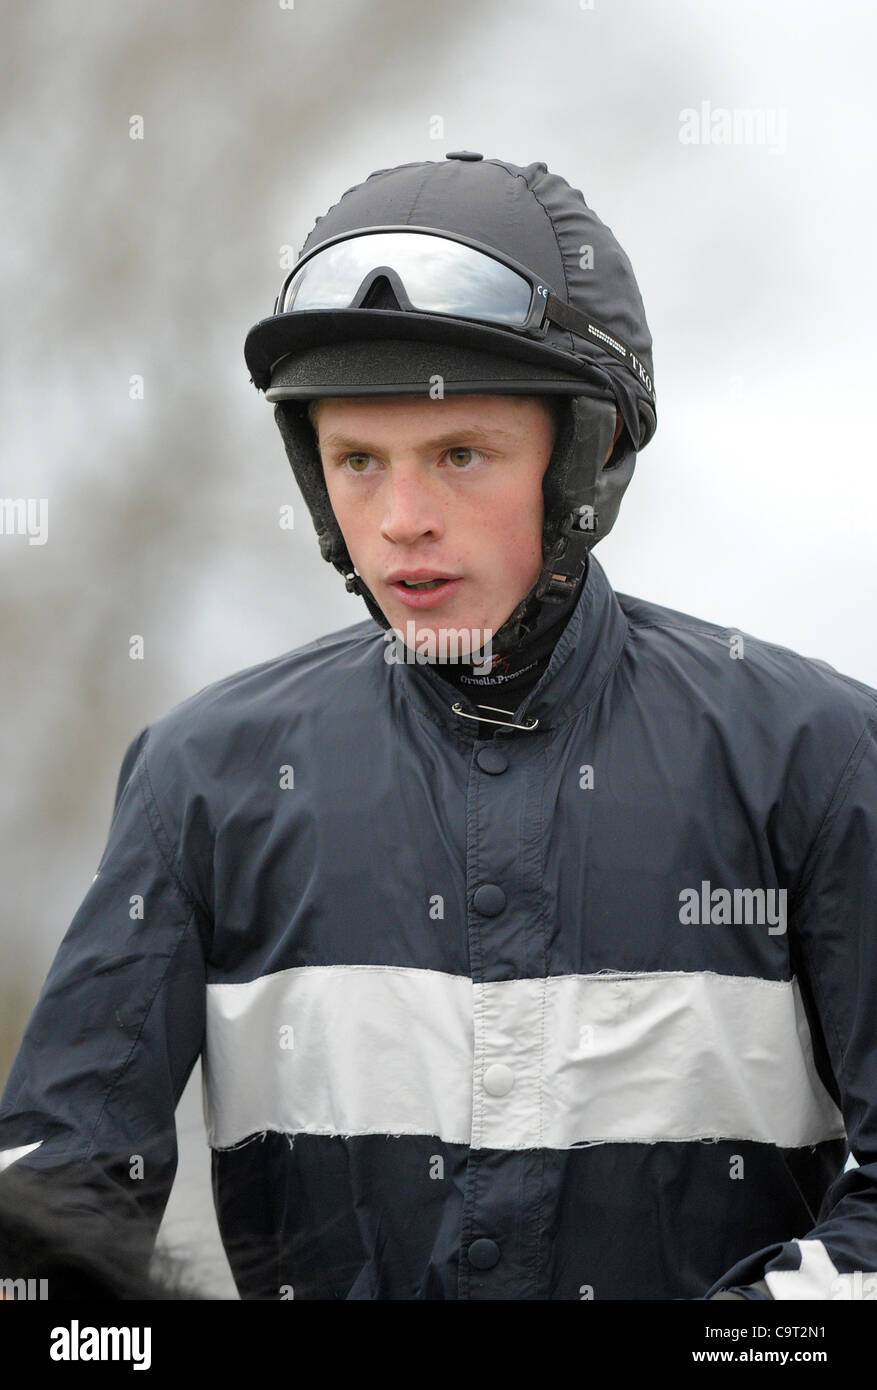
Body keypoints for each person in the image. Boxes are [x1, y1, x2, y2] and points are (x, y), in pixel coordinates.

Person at [1, 152, 875, 1301]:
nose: (402, 520)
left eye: (460, 456)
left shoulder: (816, 755)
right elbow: (49, 1218)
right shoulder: (199, 778)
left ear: (589, 453)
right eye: (358, 461)